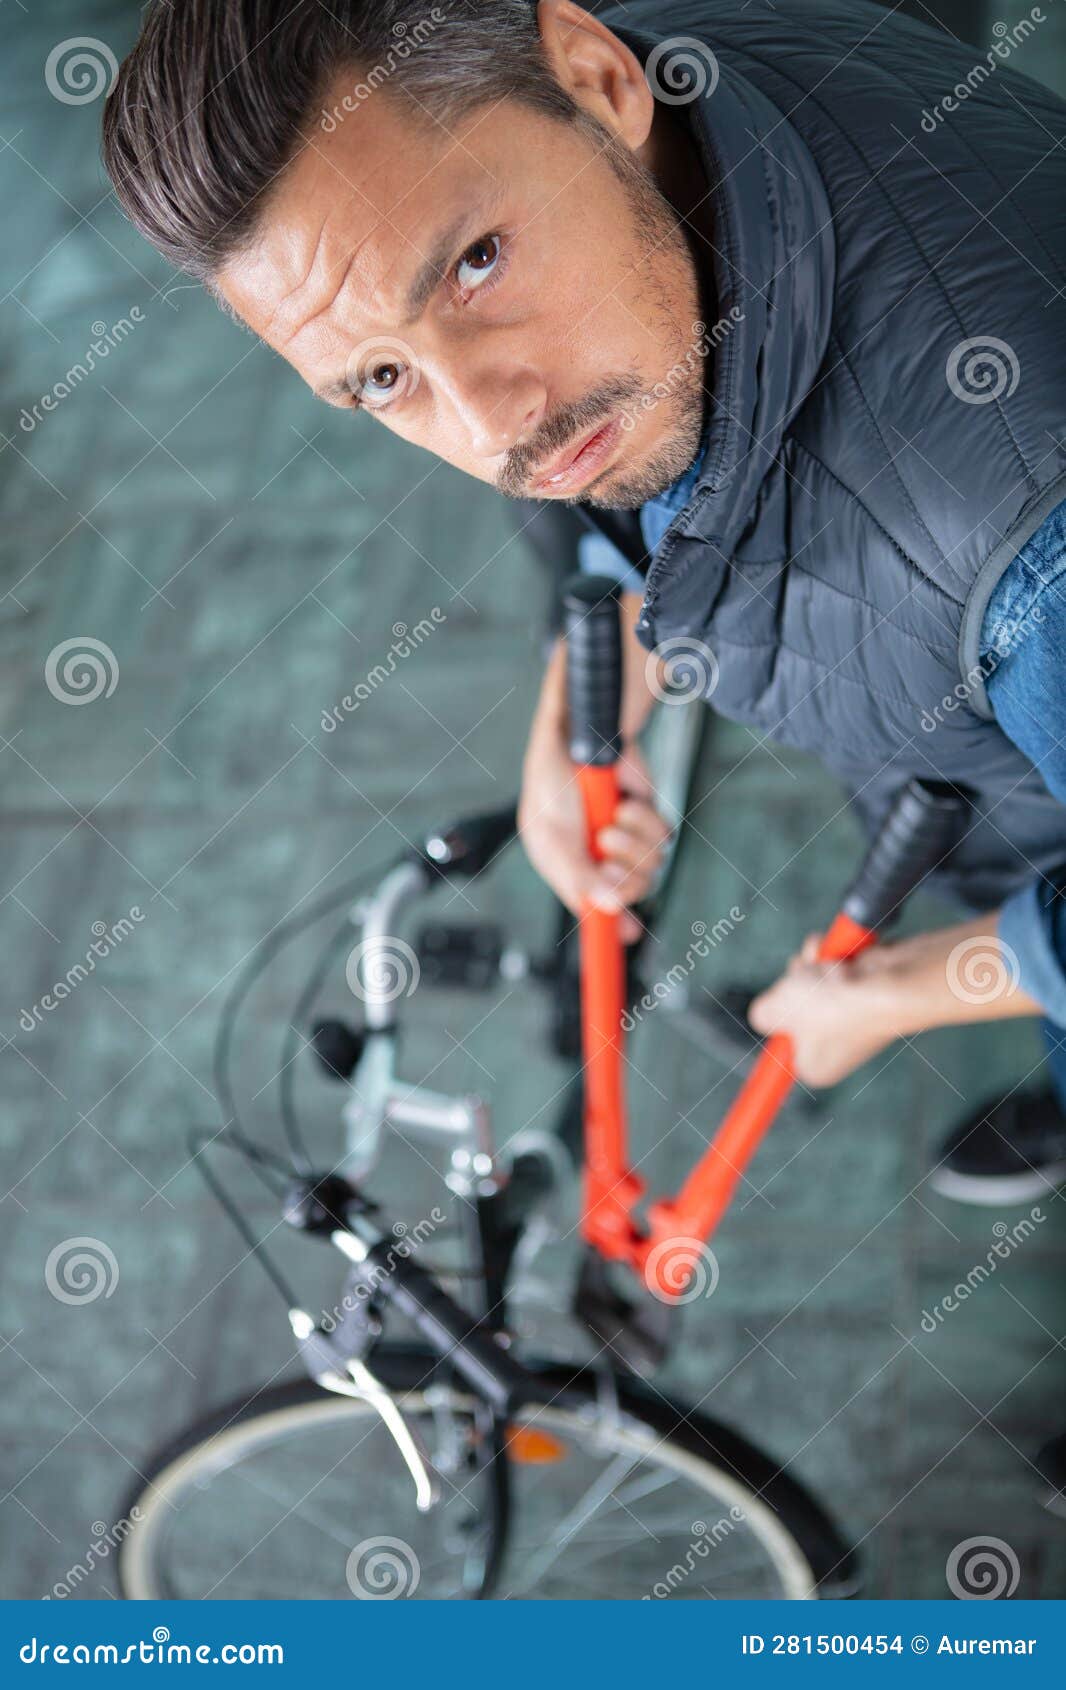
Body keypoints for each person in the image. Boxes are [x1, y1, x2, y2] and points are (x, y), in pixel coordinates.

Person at [101, 0, 1066, 1485]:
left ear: (597, 77)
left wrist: (900, 997)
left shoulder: (1023, 513)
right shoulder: (597, 124)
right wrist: (577, 699)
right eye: (377, 380)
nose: (490, 422)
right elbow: (595, 483)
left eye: (475, 265)